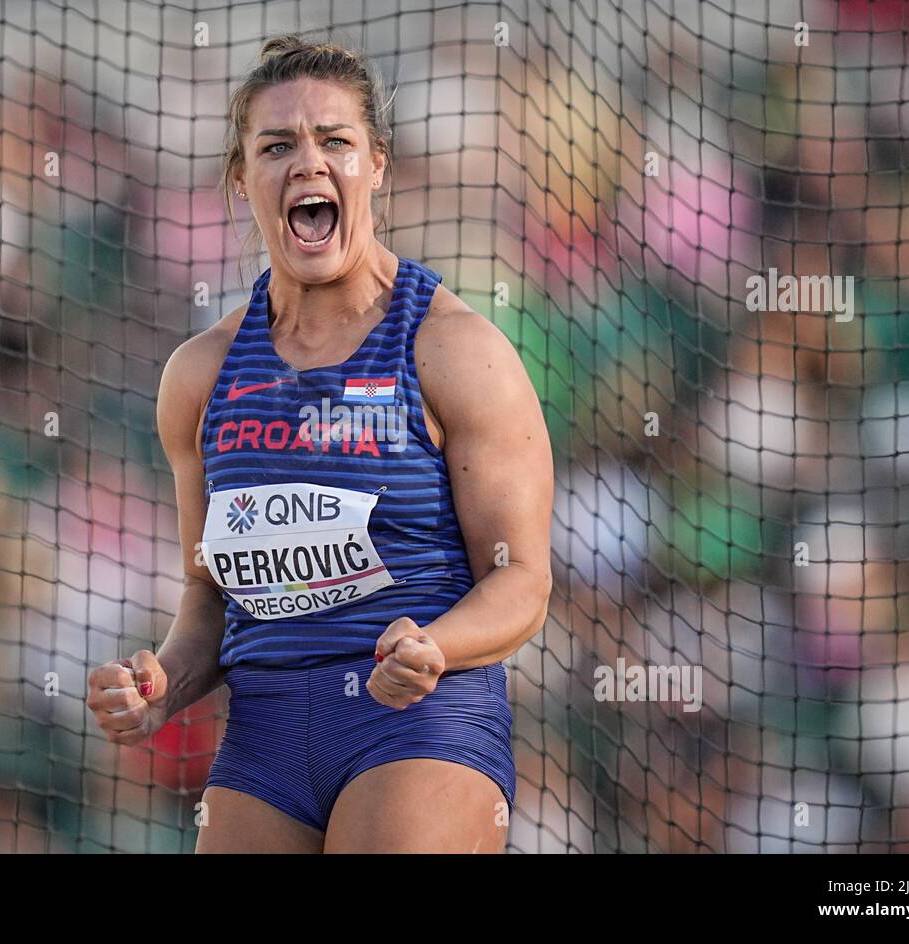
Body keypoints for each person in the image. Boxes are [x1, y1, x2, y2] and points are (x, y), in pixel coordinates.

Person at [87, 35, 552, 853]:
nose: (309, 163)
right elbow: (208, 600)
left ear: (376, 164)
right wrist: (160, 686)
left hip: (414, 725)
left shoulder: (456, 350)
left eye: (334, 141)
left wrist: (434, 645)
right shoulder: (197, 376)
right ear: (242, 179)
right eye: (277, 146)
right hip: (262, 743)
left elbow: (522, 583)